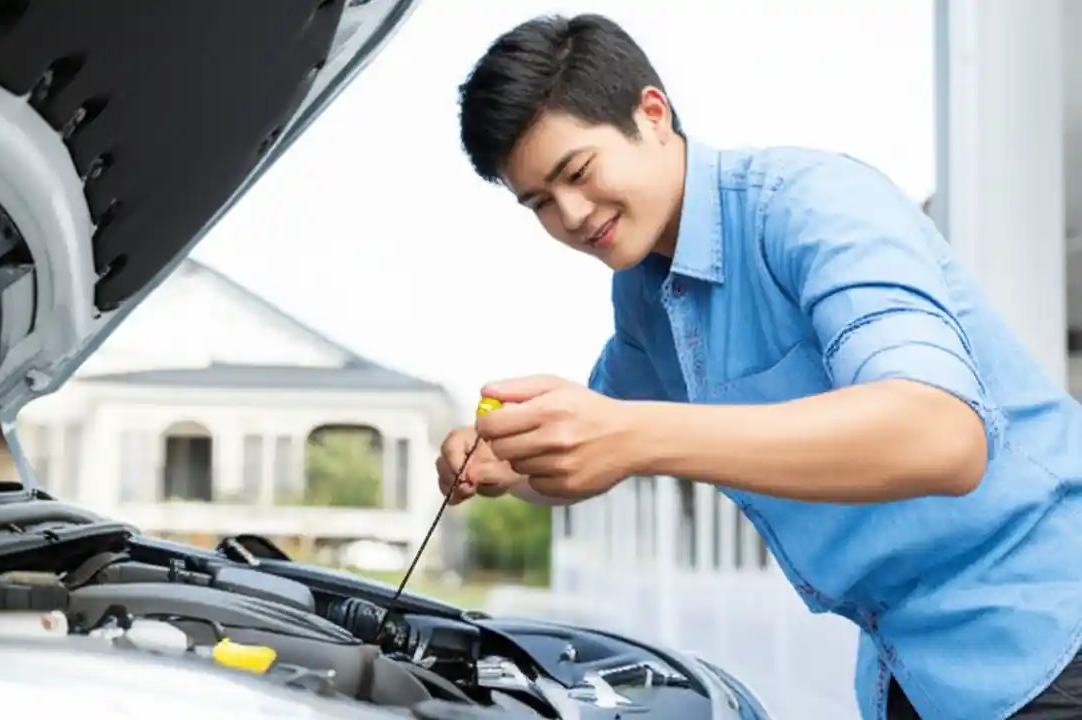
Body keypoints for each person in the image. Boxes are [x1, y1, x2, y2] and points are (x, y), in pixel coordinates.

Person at [435, 12, 1082, 720]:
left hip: (1049, 632)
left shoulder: (812, 203)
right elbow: (592, 445)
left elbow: (943, 436)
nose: (571, 215)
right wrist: (510, 464)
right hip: (914, 669)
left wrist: (631, 436)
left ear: (651, 114)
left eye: (578, 173)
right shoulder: (645, 291)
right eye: (539, 204)